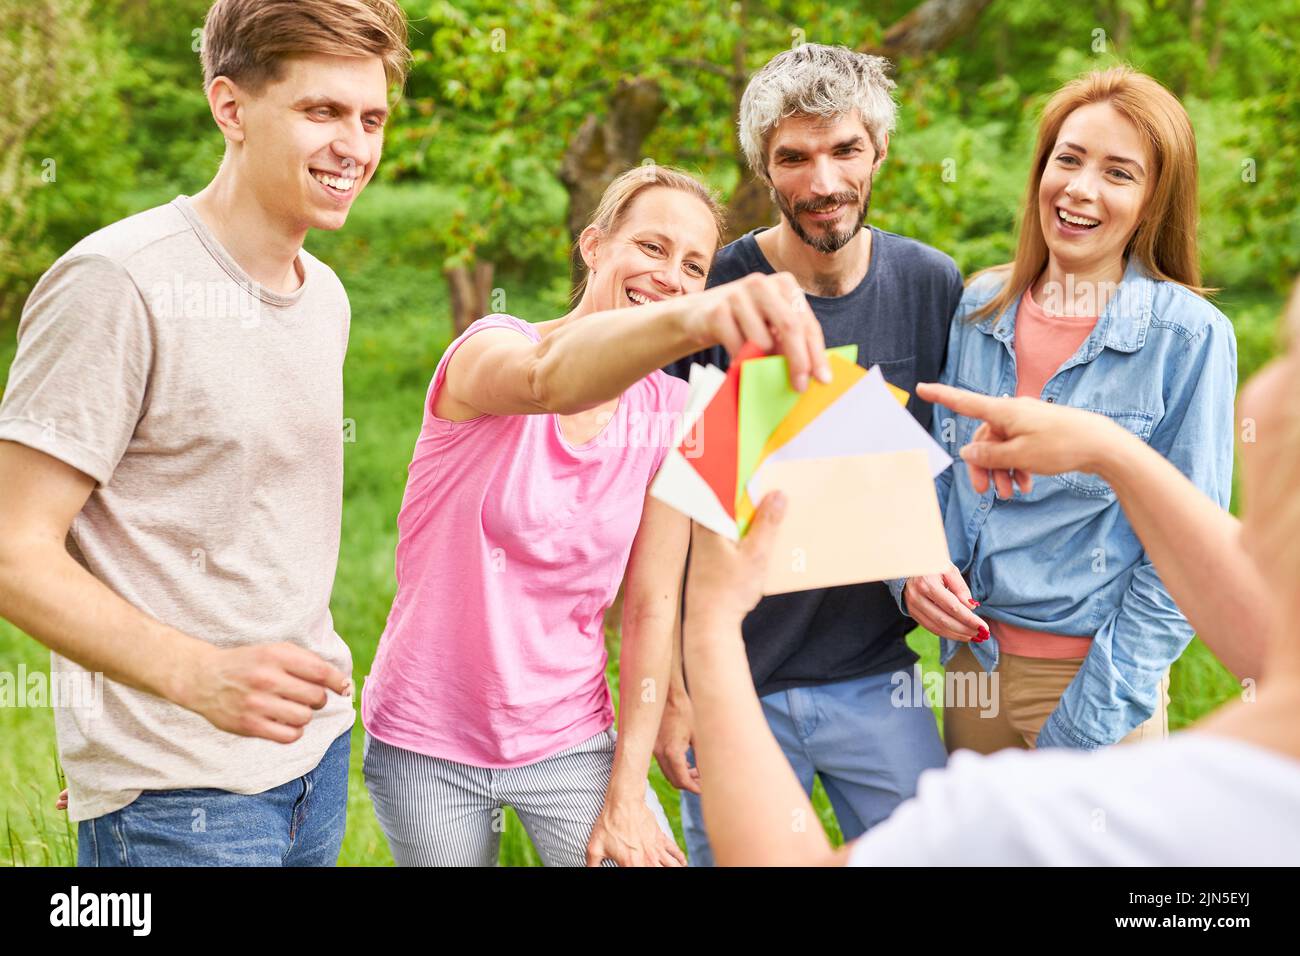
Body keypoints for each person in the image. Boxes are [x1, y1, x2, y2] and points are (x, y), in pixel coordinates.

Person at [681, 281, 1300, 865]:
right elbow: (1262, 638)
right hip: (979, 672)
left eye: (1287, 353)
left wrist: (710, 627)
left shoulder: (1022, 820)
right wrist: (1111, 451)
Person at [0, 0, 410, 866]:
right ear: (230, 107)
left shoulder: (323, 294)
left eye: (370, 117)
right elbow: (12, 550)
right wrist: (193, 680)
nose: (356, 147)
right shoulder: (117, 284)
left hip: (315, 761)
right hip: (174, 796)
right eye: (321, 111)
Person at [359, 164, 831, 867]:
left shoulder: (674, 415)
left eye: (694, 267)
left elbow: (650, 606)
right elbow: (549, 379)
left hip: (569, 736)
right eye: (651, 247)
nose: (670, 275)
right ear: (594, 246)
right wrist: (694, 319)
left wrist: (627, 788)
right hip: (427, 736)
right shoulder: (490, 350)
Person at [658, 43, 963, 863]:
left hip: (879, 675)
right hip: (733, 682)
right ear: (764, 167)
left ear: (880, 152)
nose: (823, 182)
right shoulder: (710, 295)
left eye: (845, 150)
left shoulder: (932, 285)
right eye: (795, 157)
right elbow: (656, 508)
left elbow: (947, 470)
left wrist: (928, 562)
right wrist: (671, 687)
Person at [889, 67, 1237, 753]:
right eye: (1068, 159)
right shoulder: (977, 307)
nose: (1079, 189)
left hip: (1097, 690)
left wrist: (1083, 725)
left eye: (1118, 172)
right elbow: (939, 477)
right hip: (973, 670)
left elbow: (1186, 556)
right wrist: (912, 573)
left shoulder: (1188, 336)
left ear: (1153, 202)